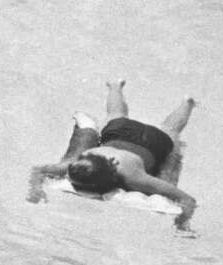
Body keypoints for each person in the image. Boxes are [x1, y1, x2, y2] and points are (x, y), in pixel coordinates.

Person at [26, 82, 197, 228]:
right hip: (120, 134)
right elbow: (38, 170)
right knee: (119, 116)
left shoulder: (135, 178)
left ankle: (116, 85)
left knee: (168, 129)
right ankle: (187, 102)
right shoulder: (76, 165)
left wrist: (182, 223)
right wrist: (34, 189)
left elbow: (187, 199)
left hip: (152, 142)